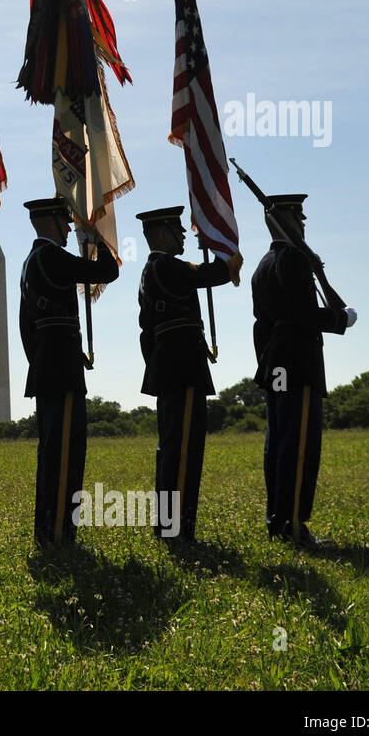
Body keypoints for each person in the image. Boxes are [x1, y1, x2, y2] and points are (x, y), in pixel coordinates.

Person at [251, 194, 356, 548]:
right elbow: (303, 314)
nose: (303, 225)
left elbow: (261, 325)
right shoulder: (293, 259)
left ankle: (277, 521)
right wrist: (340, 318)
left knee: (279, 444)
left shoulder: (263, 264)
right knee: (298, 446)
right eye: (299, 220)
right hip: (298, 362)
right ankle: (293, 525)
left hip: (275, 365)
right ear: (286, 222)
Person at [19, 197, 118, 547]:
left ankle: (51, 531)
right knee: (64, 455)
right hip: (60, 369)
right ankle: (58, 535)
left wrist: (45, 359)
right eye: (66, 222)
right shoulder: (49, 255)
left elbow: (27, 327)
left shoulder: (32, 261)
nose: (69, 228)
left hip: (51, 365)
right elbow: (107, 272)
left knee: (54, 452)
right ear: (50, 223)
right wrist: (96, 239)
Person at [136, 206, 235, 546]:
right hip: (183, 366)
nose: (183, 236)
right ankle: (177, 532)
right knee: (182, 453)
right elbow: (215, 274)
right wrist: (219, 244)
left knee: (173, 449)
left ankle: (170, 528)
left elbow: (145, 334)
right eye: (178, 230)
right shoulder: (165, 265)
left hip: (169, 367)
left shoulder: (153, 270)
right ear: (162, 234)